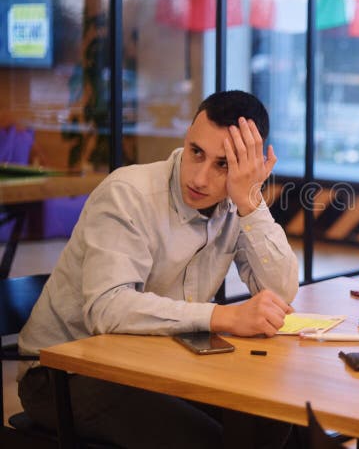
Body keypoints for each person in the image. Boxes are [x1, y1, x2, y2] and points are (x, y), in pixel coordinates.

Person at [17, 90, 301, 447]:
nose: (199, 177)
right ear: (187, 137)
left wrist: (250, 202)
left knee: (279, 419)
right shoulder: (128, 193)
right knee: (210, 440)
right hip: (66, 372)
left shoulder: (235, 201)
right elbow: (108, 309)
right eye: (196, 152)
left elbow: (281, 291)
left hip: (157, 361)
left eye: (223, 164)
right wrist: (222, 317)